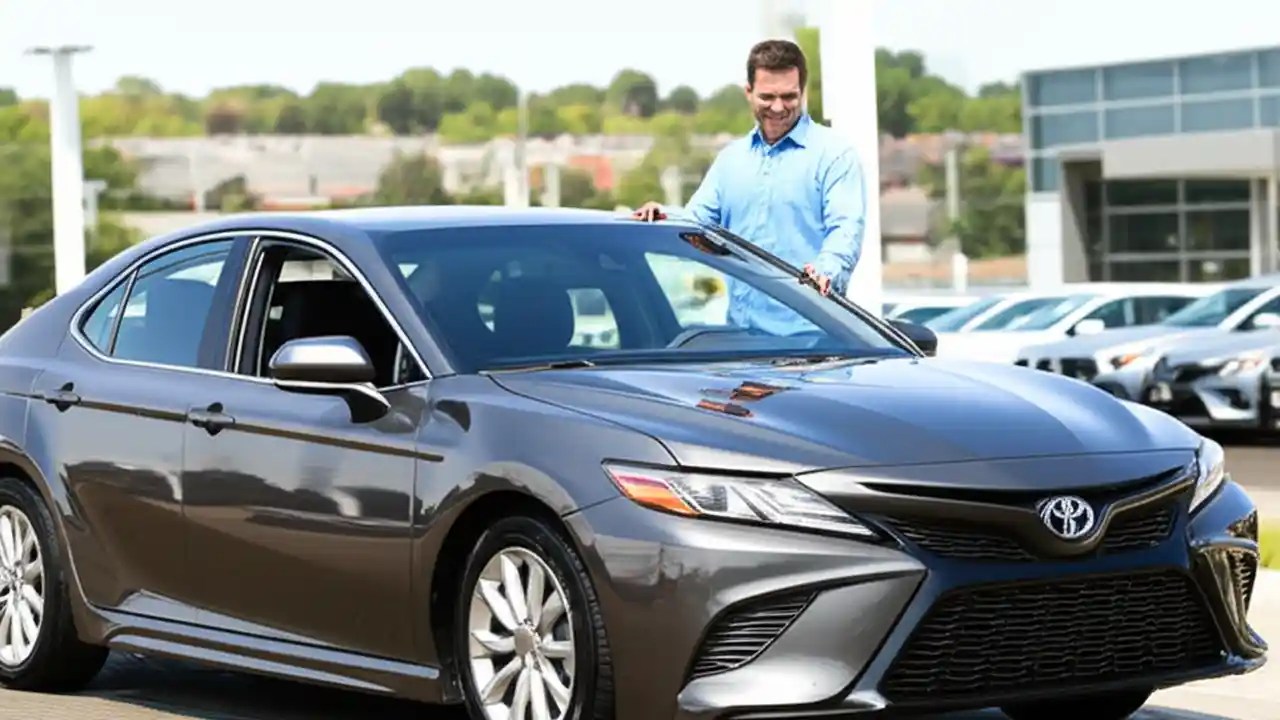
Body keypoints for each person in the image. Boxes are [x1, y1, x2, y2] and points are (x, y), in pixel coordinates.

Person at [632, 39, 868, 335]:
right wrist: (663, 215)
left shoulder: (834, 155)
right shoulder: (731, 160)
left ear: (803, 92)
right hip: (742, 342)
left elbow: (846, 231)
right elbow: (696, 224)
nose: (779, 107)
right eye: (767, 97)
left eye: (789, 96)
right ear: (749, 93)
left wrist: (825, 273)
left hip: (812, 342)